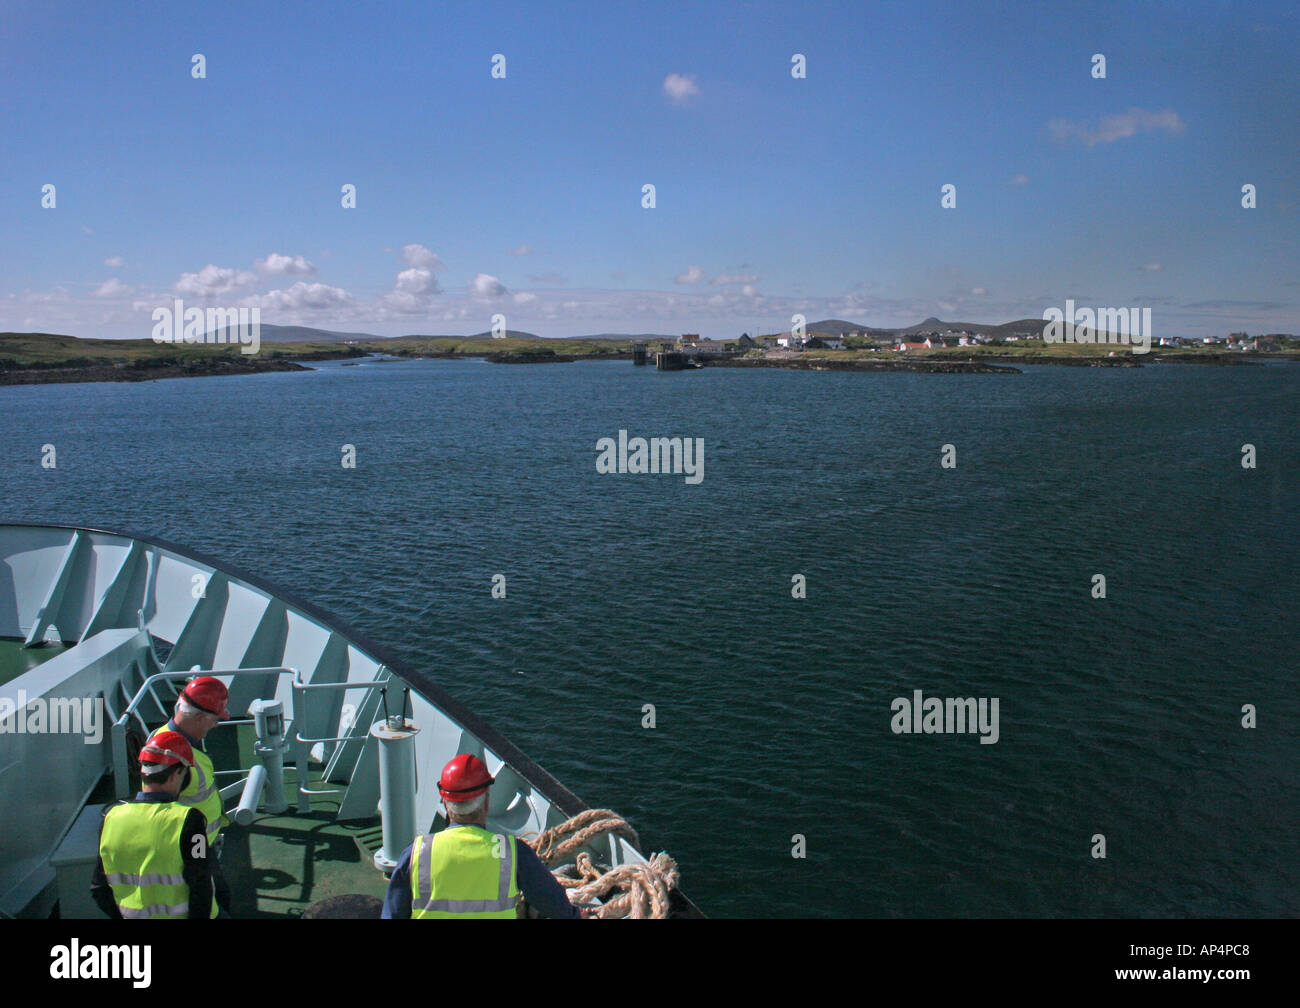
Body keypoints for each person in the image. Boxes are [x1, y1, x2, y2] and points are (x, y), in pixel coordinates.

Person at [381, 754, 584, 918]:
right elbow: (554, 904)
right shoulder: (514, 854)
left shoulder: (416, 854)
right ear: (486, 804)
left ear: (445, 803)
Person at [91, 731, 217, 919]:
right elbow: (201, 885)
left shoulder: (111, 818)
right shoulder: (189, 821)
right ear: (176, 774)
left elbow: (99, 888)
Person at [148, 675, 233, 914]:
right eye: (214, 720)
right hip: (190, 852)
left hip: (201, 845)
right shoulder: (172, 756)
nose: (216, 725)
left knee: (222, 895)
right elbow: (159, 811)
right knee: (212, 905)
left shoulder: (184, 740)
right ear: (199, 717)